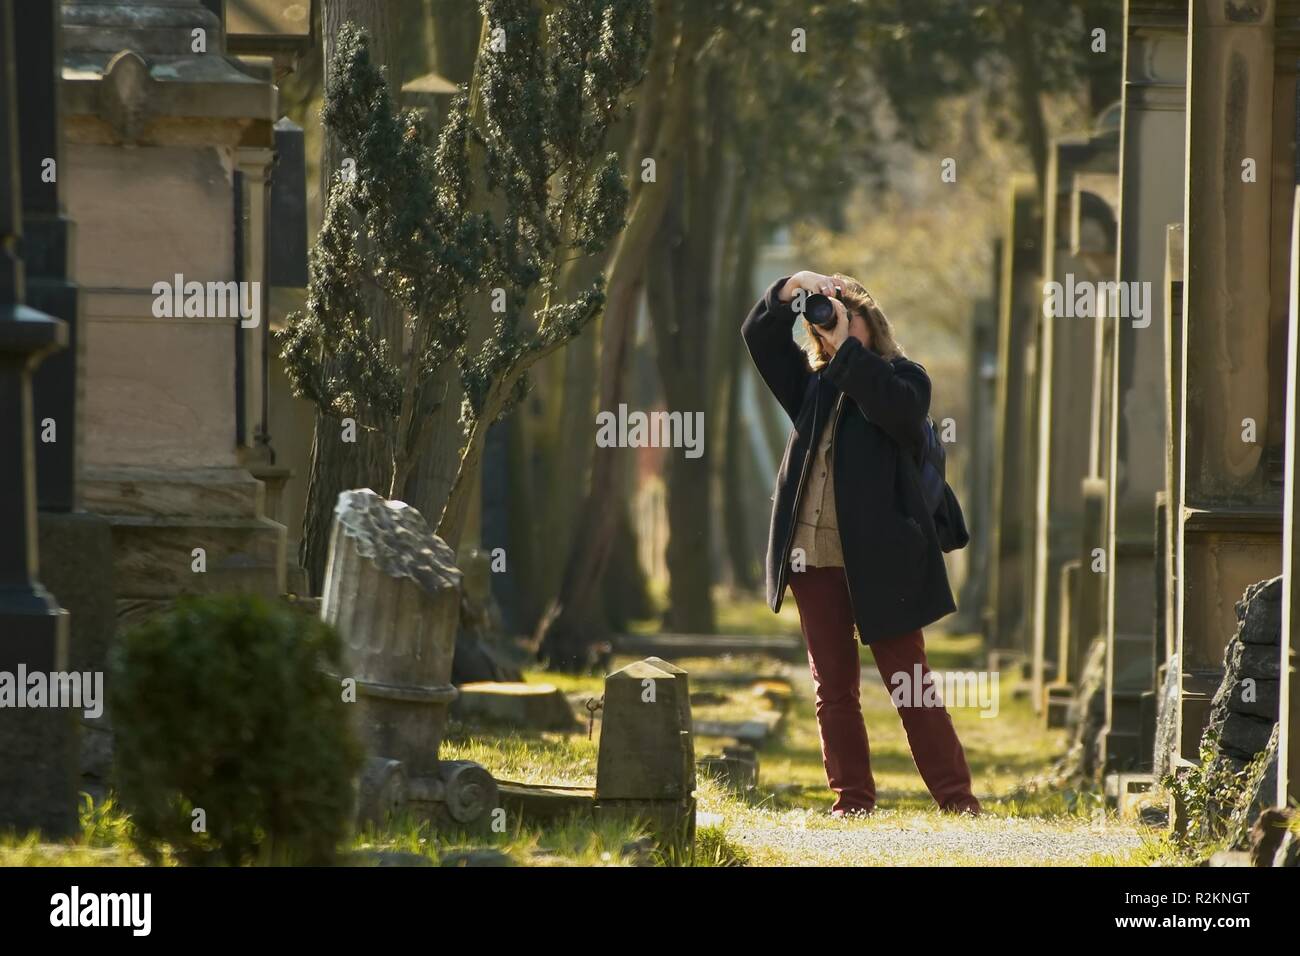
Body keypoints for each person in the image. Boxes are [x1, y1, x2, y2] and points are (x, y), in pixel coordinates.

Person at [741, 270, 981, 816]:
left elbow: (896, 413)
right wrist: (791, 288)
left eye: (849, 319)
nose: (830, 330)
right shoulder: (812, 385)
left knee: (910, 685)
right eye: (824, 323)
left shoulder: (906, 380)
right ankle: (852, 800)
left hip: (883, 563)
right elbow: (758, 336)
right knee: (833, 688)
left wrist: (849, 347)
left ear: (873, 325)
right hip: (813, 556)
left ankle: (957, 799)